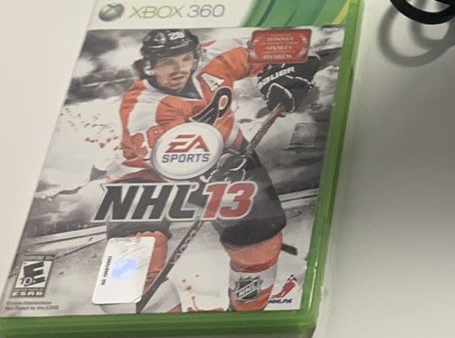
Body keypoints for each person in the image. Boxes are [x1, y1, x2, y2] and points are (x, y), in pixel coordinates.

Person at [108, 28, 318, 311]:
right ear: (148, 65)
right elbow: (172, 161)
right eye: (167, 62)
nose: (179, 69)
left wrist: (289, 74)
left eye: (185, 58)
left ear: (197, 54)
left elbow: (298, 46)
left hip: (231, 158)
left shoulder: (218, 54)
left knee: (259, 244)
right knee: (134, 267)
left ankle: (245, 316)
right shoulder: (144, 108)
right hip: (144, 176)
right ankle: (162, 327)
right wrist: (215, 174)